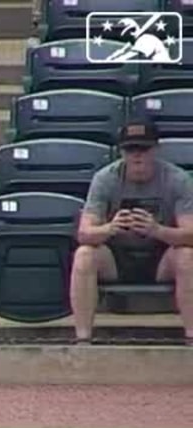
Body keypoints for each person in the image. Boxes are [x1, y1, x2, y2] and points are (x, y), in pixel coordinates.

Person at [70, 118, 193, 344]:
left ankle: (191, 337)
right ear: (121, 152)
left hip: (161, 255)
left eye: (144, 149)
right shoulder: (105, 179)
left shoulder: (177, 179)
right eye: (130, 149)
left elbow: (190, 234)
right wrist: (110, 228)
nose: (137, 155)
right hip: (117, 257)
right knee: (84, 255)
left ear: (156, 149)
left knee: (188, 256)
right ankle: (83, 340)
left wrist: (157, 230)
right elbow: (84, 233)